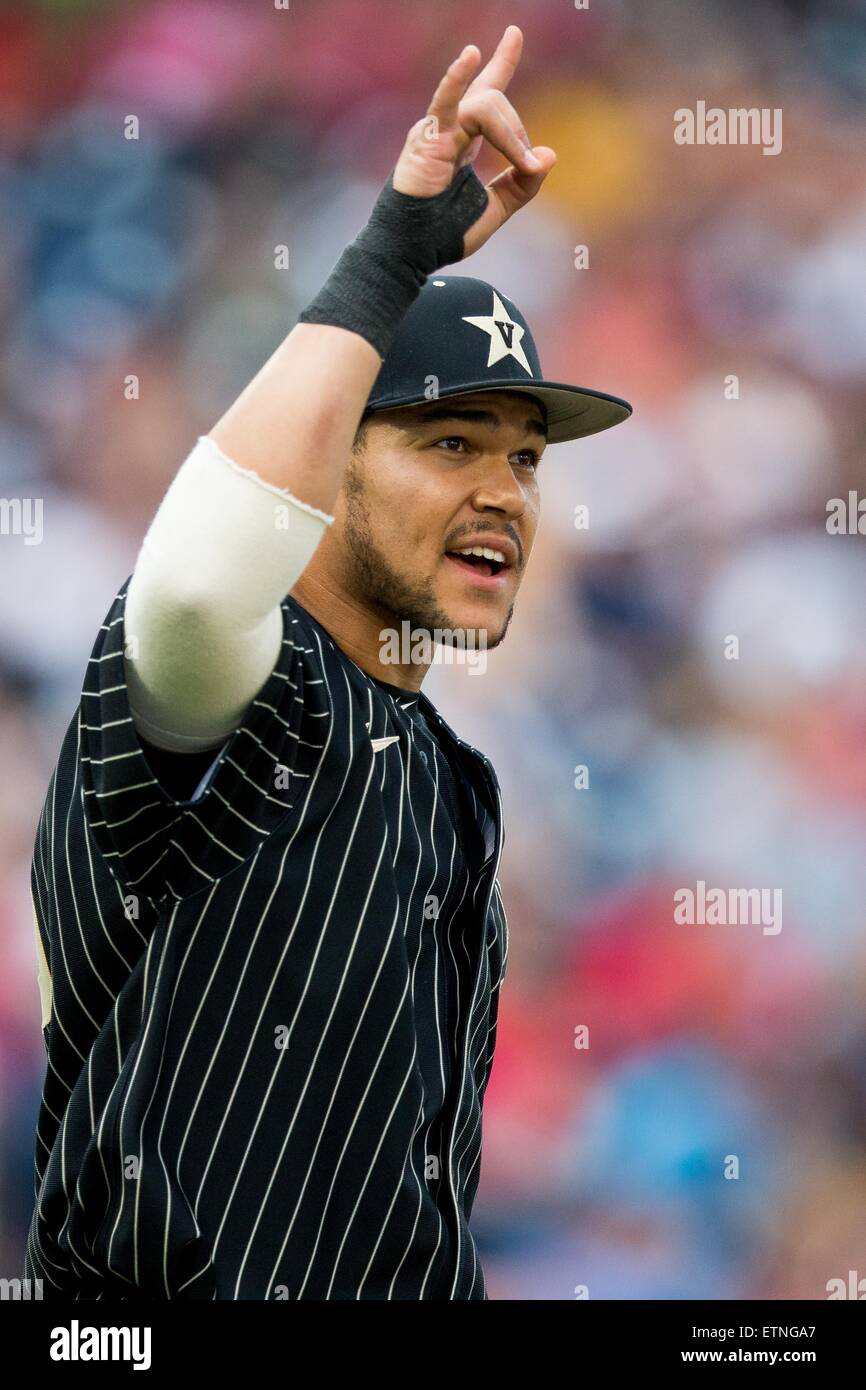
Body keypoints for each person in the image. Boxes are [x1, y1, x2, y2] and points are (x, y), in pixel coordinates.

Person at [25, 25, 630, 1300]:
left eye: (522, 457)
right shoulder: (245, 692)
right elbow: (198, 577)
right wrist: (393, 249)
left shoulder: (445, 773)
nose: (506, 493)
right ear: (323, 465)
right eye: (450, 443)